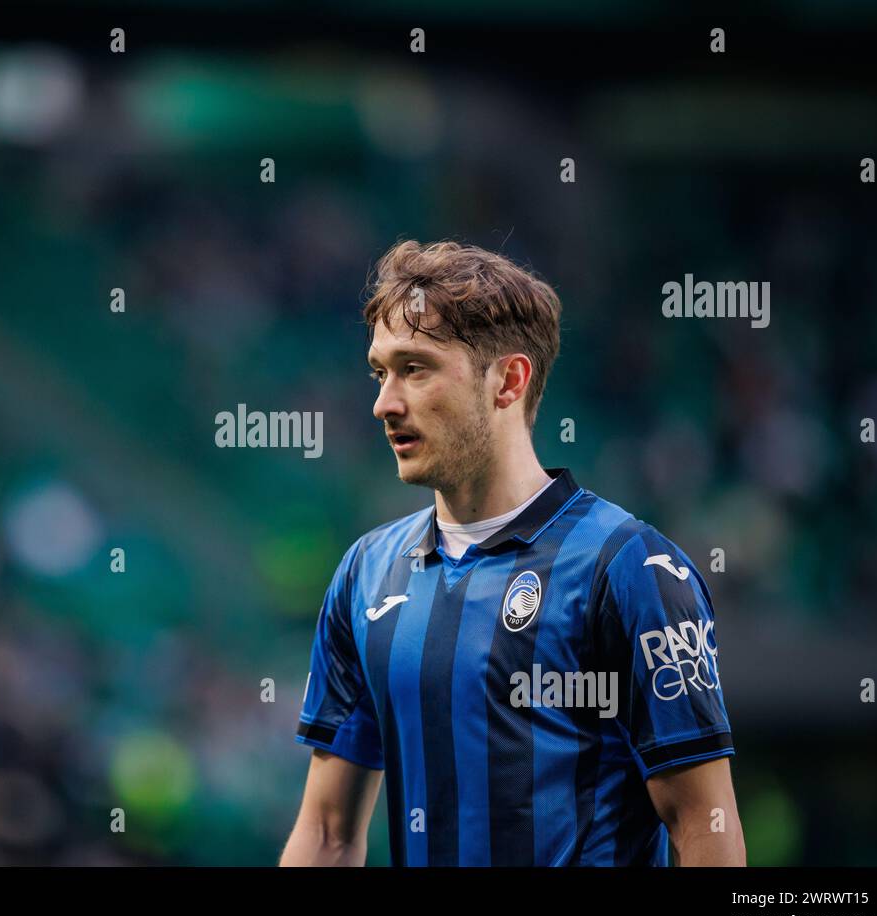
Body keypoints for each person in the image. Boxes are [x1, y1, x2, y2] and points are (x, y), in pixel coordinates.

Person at [280, 239, 744, 866]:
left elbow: (703, 821)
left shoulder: (631, 569)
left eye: (415, 368)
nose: (384, 403)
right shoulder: (367, 573)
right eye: (380, 372)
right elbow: (328, 833)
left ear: (508, 380)